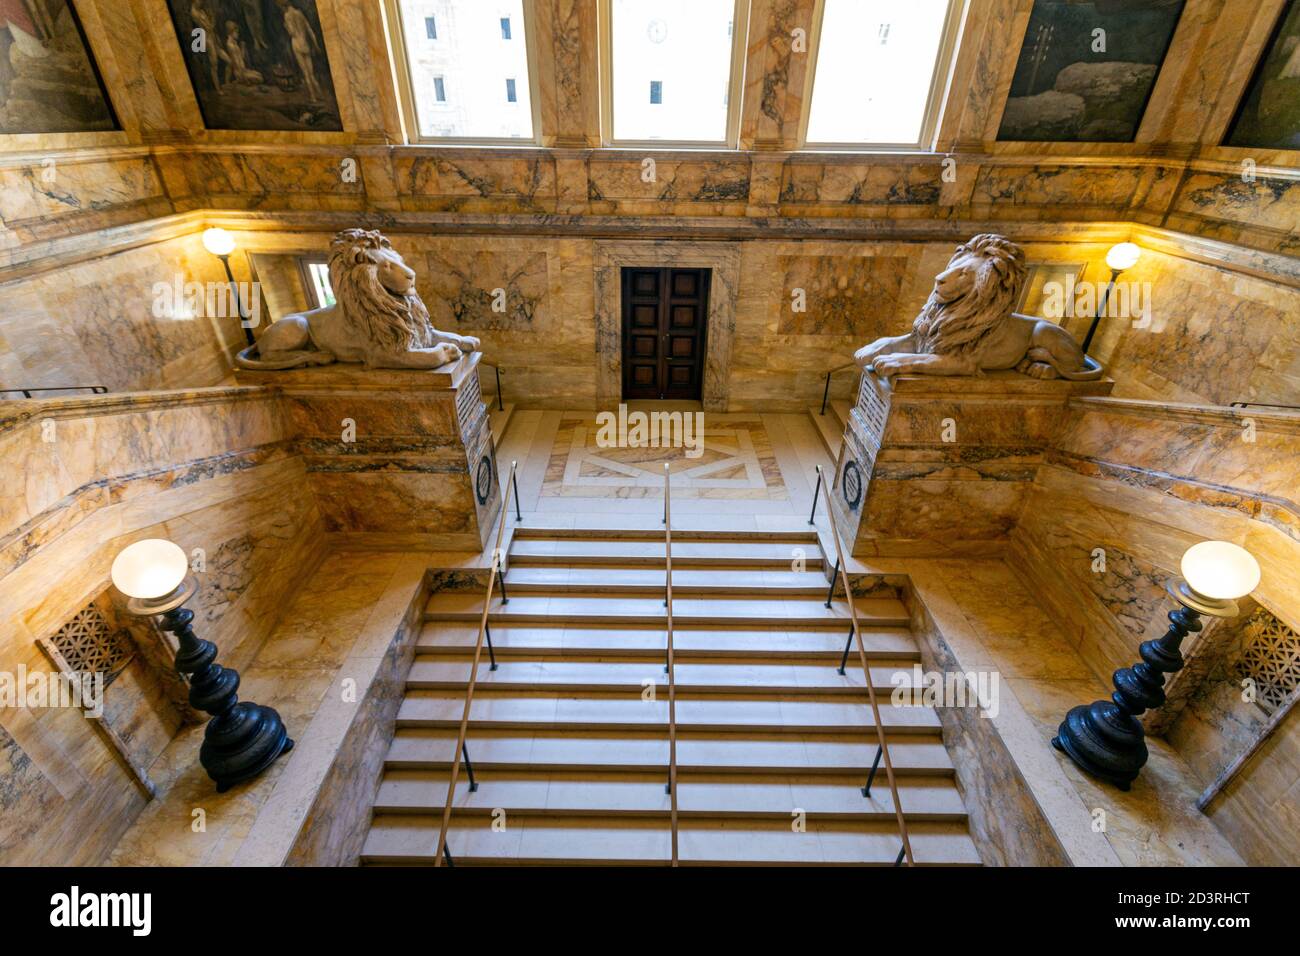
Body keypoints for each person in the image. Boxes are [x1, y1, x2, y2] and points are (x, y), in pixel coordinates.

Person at [277, 0, 323, 101]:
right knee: (311, 73)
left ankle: (313, 97)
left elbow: (292, 32)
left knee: (305, 73)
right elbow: (310, 30)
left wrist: (286, 26)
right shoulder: (300, 13)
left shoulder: (287, 16)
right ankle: (320, 94)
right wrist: (316, 45)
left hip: (296, 44)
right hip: (305, 44)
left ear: (284, 6)